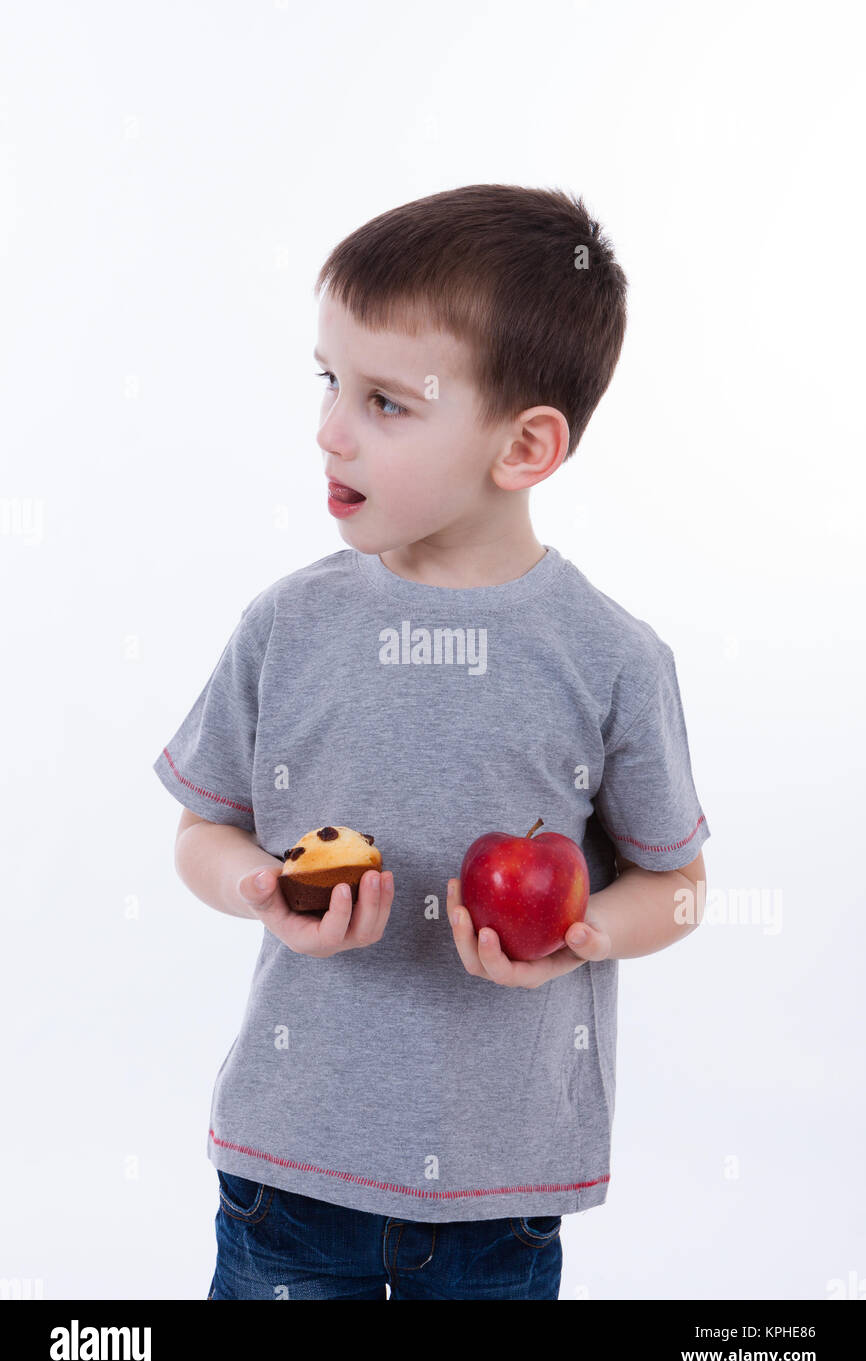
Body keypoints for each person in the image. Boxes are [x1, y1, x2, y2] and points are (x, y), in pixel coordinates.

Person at [153, 184, 711, 1300]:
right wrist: (258, 885)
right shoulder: (287, 625)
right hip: (288, 1183)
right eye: (328, 382)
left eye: (386, 402)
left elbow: (681, 886)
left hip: (499, 1209)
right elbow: (197, 828)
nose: (329, 428)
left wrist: (586, 931)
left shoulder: (609, 659)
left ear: (523, 446)